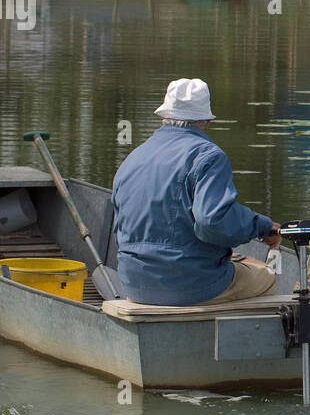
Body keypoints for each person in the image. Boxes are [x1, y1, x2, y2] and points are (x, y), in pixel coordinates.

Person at [111, 78, 281, 307]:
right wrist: (263, 227)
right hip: (191, 285)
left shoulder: (133, 158)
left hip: (134, 282)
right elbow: (213, 221)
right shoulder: (208, 156)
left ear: (165, 116)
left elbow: (119, 226)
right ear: (207, 120)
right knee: (267, 278)